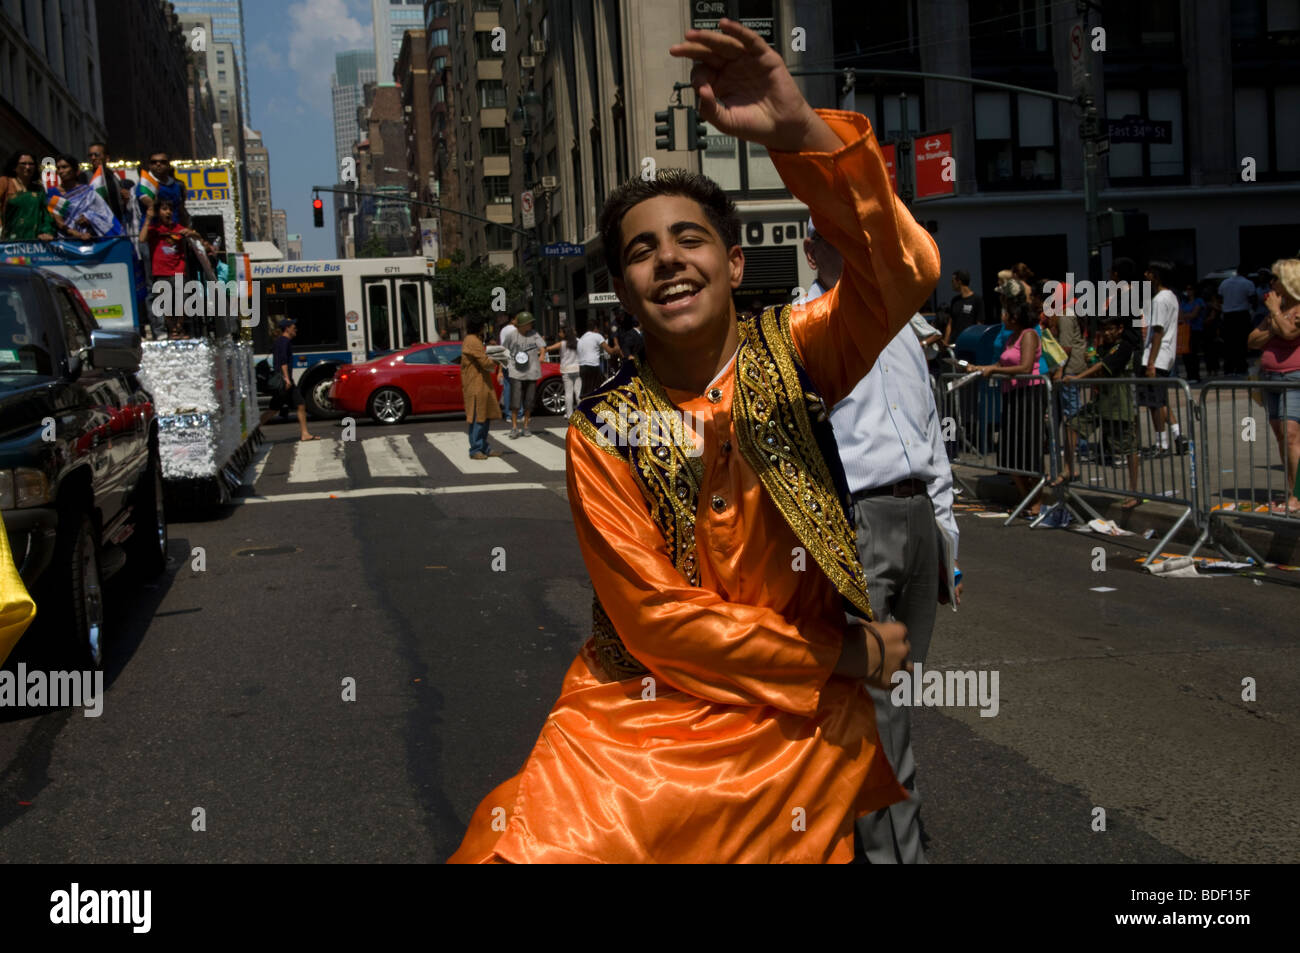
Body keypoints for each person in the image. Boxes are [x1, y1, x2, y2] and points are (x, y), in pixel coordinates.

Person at [449, 17, 939, 864]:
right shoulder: (604, 428)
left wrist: (799, 133)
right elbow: (657, 622)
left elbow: (905, 269)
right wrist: (838, 652)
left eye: (689, 239)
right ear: (622, 290)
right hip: (643, 727)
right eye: (642, 251)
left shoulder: (800, 352)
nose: (668, 261)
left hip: (793, 727)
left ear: (736, 263)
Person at [808, 231, 960, 864]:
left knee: (897, 701)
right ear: (815, 251)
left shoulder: (902, 328)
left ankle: (858, 830)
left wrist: (947, 530)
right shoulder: (802, 331)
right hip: (859, 520)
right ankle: (899, 853)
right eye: (839, 238)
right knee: (881, 711)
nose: (860, 249)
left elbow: (931, 432)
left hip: (919, 517)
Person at [972, 298, 1045, 517]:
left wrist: (993, 372)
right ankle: (1025, 497)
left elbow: (1024, 366)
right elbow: (1001, 364)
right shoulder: (1010, 336)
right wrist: (979, 368)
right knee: (1011, 451)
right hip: (1011, 394)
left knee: (1028, 448)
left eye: (1006, 313)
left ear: (1015, 316)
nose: (1002, 316)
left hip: (1029, 394)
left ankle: (1037, 500)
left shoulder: (1029, 335)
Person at [1064, 315, 1143, 507]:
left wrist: (1078, 377)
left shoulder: (1123, 347)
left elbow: (1103, 366)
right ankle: (1069, 469)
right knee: (1072, 425)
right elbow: (1098, 369)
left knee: (1129, 448)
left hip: (1120, 404)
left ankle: (1134, 492)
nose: (1107, 333)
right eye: (1104, 329)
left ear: (1120, 329)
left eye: (1111, 329)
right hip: (1100, 401)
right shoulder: (1102, 348)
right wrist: (1089, 361)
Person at [1247, 260, 1300, 515]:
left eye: (1276, 278)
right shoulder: (1276, 310)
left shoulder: (1292, 309)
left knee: (1291, 437)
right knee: (1282, 437)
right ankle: (1291, 490)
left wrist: (1276, 317)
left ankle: (1296, 496)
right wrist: (1275, 325)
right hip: (1271, 379)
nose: (1272, 284)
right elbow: (1252, 340)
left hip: (1294, 378)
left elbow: (1290, 333)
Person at [1136, 260, 1184, 457]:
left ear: (1155, 275)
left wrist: (1151, 362)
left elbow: (1157, 331)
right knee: (1159, 400)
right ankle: (1177, 435)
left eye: (1149, 272)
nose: (1146, 275)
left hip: (1157, 356)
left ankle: (1162, 443)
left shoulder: (1160, 299)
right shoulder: (1170, 297)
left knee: (1154, 403)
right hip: (1164, 355)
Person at [140, 199, 200, 338]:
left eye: (170, 210)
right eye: (164, 209)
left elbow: (197, 237)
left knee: (183, 302)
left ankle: (179, 327)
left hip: (178, 271)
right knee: (165, 304)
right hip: (161, 272)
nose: (168, 212)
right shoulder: (155, 230)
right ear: (158, 213)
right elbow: (142, 239)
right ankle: (172, 329)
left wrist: (190, 233)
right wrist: (148, 218)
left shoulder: (177, 228)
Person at [1052, 281, 1089, 484]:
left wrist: (1058, 371)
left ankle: (1077, 450)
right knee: (1070, 411)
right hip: (1072, 368)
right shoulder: (1071, 311)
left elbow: (1065, 347)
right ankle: (1075, 450)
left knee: (1071, 413)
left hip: (1069, 370)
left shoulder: (1065, 315)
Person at [47, 154, 122, 241]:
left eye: (64, 167)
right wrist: (79, 235)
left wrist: (89, 217)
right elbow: (59, 222)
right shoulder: (55, 193)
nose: (60, 171)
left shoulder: (87, 191)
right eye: (58, 168)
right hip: (67, 242)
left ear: (75, 170)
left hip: (91, 238)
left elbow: (104, 214)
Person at [462, 314, 504, 459]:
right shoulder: (472, 341)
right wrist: (499, 359)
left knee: (484, 416)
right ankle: (476, 449)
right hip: (475, 384)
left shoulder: (474, 340)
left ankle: (484, 447)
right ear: (479, 327)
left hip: (481, 383)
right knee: (478, 417)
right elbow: (485, 362)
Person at [271, 319, 315, 441]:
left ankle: (305, 433)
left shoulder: (278, 341)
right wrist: (287, 378)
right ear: (287, 329)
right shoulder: (285, 342)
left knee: (280, 407)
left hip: (282, 378)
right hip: (285, 379)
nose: (295, 329)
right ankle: (305, 434)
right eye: (293, 327)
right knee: (297, 404)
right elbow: (283, 362)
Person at [504, 311, 544, 437]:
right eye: (528, 323)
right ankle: (514, 427)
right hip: (516, 372)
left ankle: (526, 426)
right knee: (515, 401)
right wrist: (501, 369)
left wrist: (542, 354)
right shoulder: (511, 335)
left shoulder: (534, 334)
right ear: (522, 325)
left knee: (529, 402)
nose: (531, 325)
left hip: (532, 371)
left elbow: (542, 347)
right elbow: (504, 350)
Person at [0, 152, 55, 241]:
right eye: (23, 164)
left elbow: (46, 215)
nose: (28, 167)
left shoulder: (39, 189)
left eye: (31, 164)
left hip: (34, 243)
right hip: (9, 241)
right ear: (14, 167)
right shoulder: (5, 183)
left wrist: (47, 232)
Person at [1218, 264, 1258, 376]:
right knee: (1241, 342)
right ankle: (1241, 367)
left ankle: (1229, 368)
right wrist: (1252, 310)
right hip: (1241, 315)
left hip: (1228, 315)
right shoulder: (1248, 283)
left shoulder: (1225, 283)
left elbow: (1220, 298)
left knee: (1229, 343)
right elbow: (1253, 299)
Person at [87, 142, 131, 228]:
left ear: (106, 158)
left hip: (116, 224)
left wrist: (126, 198)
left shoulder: (114, 177)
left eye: (96, 155)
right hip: (95, 227)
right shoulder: (85, 177)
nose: (93, 158)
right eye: (90, 155)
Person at [543, 321, 583, 417]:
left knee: (568, 393)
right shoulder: (579, 341)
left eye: (560, 332)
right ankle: (581, 413)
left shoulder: (562, 343)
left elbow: (547, 349)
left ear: (565, 333)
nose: (559, 334)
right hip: (577, 369)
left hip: (566, 370)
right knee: (578, 392)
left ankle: (569, 414)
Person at [945, 269, 983, 342]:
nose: (951, 284)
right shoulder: (955, 300)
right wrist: (946, 341)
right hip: (955, 341)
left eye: (953, 281)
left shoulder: (977, 299)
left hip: (969, 341)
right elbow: (950, 323)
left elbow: (979, 323)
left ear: (959, 282)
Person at [577, 318, 610, 399]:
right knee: (604, 386)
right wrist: (618, 348)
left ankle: (586, 407)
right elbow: (609, 350)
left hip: (582, 366)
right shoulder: (597, 336)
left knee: (587, 390)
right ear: (595, 328)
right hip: (593, 366)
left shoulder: (582, 338)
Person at [1179, 283, 1206, 383]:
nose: (1188, 291)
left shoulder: (1199, 301)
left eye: (1190, 289)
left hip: (1196, 329)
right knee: (1186, 354)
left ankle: (1195, 375)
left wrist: (1186, 315)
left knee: (1193, 353)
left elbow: (1194, 314)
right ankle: (1189, 375)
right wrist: (1187, 315)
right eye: (1187, 289)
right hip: (1185, 329)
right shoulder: (1184, 302)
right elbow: (1180, 315)